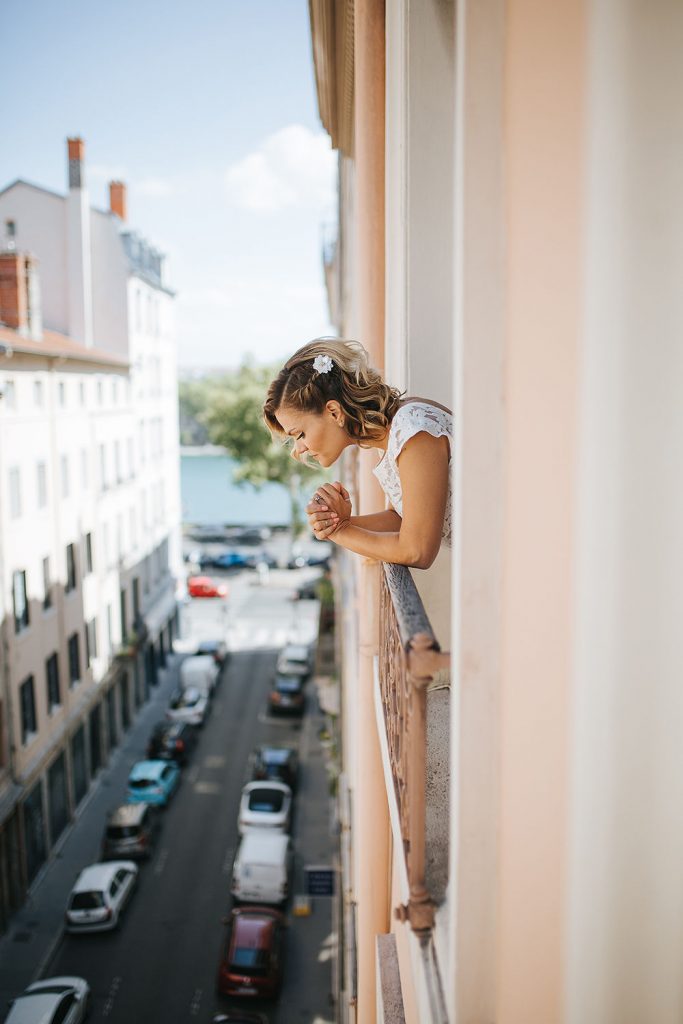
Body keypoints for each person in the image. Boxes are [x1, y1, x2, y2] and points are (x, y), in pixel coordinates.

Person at [263, 339, 452, 569]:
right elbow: (400, 520)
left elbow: (417, 551)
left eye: (300, 434)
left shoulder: (413, 429)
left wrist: (341, 531)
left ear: (333, 412)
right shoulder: (393, 434)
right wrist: (336, 522)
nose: (298, 450)